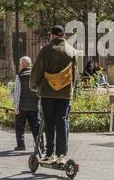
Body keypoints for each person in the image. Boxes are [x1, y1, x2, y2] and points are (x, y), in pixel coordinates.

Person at [30, 24, 77, 165]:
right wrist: (71, 90)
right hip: (65, 94)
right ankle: (62, 155)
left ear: (52, 35)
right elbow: (74, 75)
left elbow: (37, 70)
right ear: (64, 36)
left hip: (48, 93)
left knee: (49, 122)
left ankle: (50, 154)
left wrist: (33, 86)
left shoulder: (46, 50)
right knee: (62, 121)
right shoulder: (72, 51)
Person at [10, 55, 40, 152]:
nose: (19, 66)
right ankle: (40, 146)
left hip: (22, 107)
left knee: (20, 127)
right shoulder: (36, 75)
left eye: (19, 64)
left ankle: (21, 145)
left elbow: (17, 92)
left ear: (22, 65)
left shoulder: (19, 76)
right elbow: (39, 91)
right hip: (34, 107)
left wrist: (16, 106)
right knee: (36, 127)